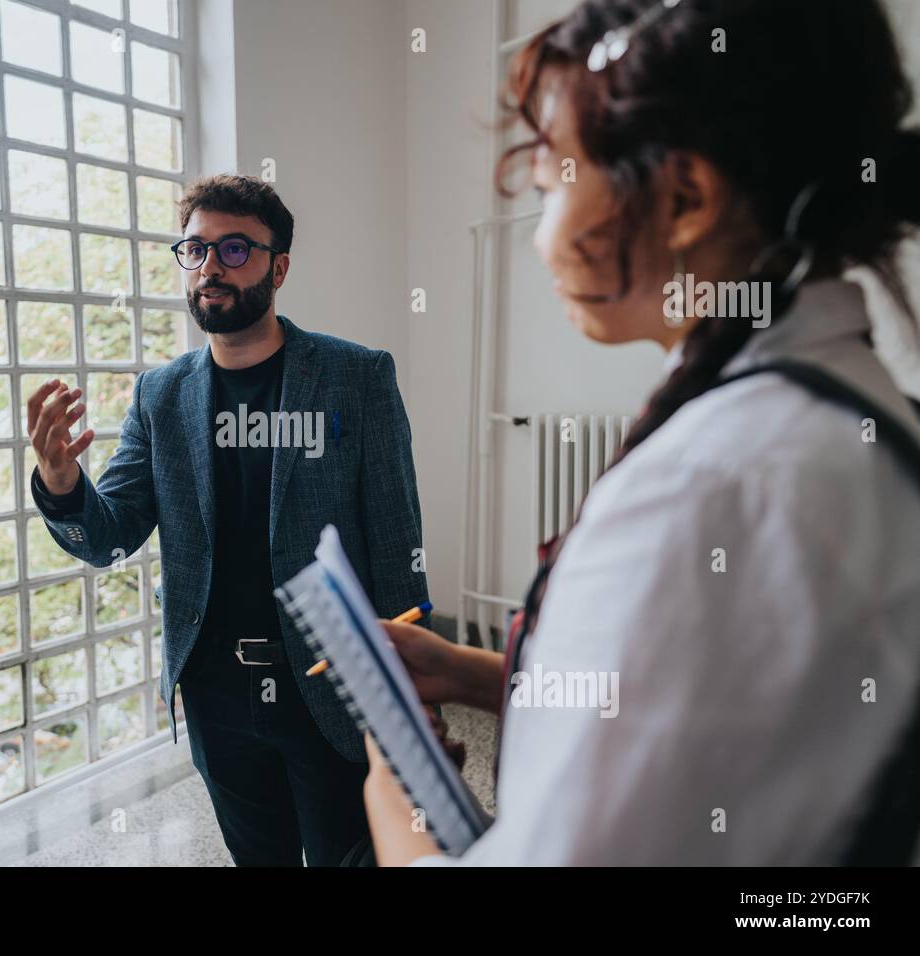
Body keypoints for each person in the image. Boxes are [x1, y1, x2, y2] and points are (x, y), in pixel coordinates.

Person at [363, 0, 920, 865]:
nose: (543, 233)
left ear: (686, 197)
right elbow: (727, 720)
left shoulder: (715, 484)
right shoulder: (851, 408)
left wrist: (398, 799)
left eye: (553, 184)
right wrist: (478, 674)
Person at [27, 174, 428, 865]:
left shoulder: (355, 378)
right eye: (196, 249)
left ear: (280, 266)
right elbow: (111, 532)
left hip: (332, 688)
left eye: (235, 249)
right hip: (216, 692)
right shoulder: (162, 393)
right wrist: (63, 484)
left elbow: (398, 549)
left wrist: (419, 701)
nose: (210, 266)